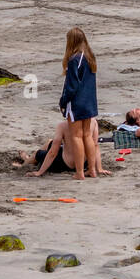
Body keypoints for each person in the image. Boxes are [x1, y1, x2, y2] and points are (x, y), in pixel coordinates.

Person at [59, 27, 99, 179]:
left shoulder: (75, 59)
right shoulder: (90, 57)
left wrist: (63, 101)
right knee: (87, 135)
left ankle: (80, 172)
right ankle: (92, 170)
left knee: (76, 136)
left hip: (77, 103)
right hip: (89, 101)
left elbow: (72, 85)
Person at [12, 117, 109, 177]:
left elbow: (53, 153)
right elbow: (95, 146)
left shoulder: (63, 126)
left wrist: (39, 172)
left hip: (64, 164)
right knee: (50, 142)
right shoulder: (93, 122)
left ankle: (25, 162)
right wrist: (99, 168)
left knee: (39, 154)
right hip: (85, 164)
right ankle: (28, 158)